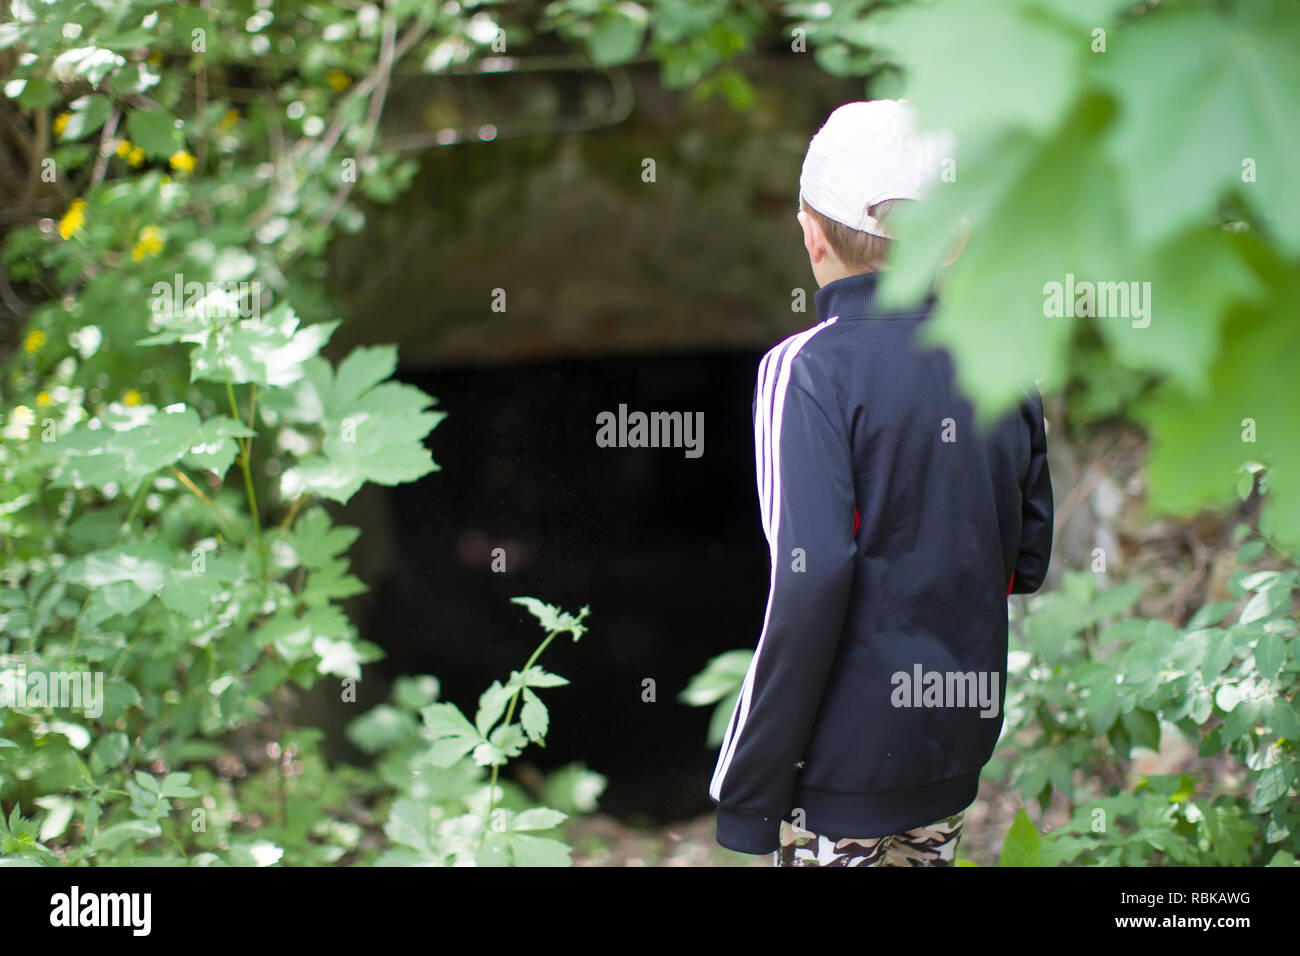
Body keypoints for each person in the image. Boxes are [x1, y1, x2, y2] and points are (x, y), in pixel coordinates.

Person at [708, 100, 1053, 867]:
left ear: (810, 232)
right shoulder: (1009, 367)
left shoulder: (805, 372)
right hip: (951, 757)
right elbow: (1024, 562)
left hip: (834, 772)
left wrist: (748, 786)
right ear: (955, 241)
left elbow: (809, 580)